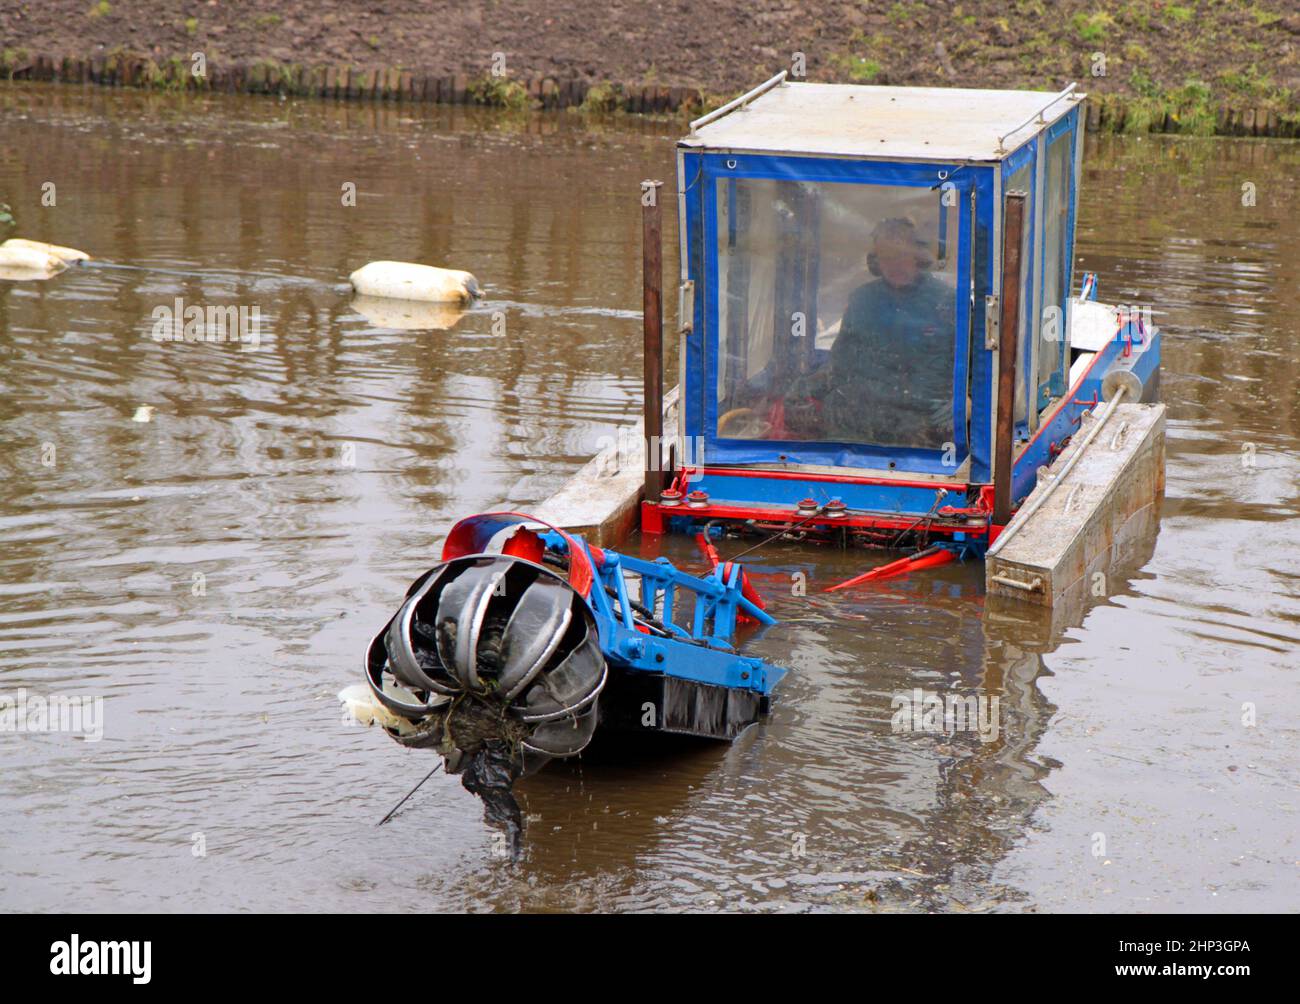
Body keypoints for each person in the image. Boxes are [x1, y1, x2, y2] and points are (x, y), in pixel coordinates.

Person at [788, 217, 956, 448]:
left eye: (902, 255)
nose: (895, 265)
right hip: (858, 423)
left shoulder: (946, 300)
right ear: (874, 262)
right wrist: (801, 390)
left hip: (924, 428)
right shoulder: (862, 300)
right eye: (887, 257)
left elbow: (976, 362)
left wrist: (966, 400)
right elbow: (839, 362)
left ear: (918, 257)